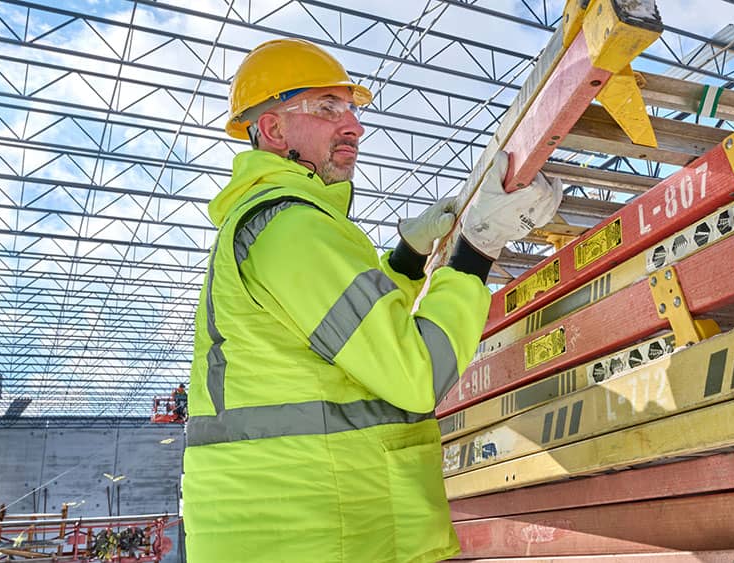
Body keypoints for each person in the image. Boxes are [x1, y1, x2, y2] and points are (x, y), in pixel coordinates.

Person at [181, 38, 562, 562]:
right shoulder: (292, 227)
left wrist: (408, 257)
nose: (354, 126)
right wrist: (477, 249)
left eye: (353, 110)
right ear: (272, 129)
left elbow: (343, 337)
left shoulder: (274, 223)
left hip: (306, 528)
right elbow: (417, 373)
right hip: (319, 533)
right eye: (326, 108)